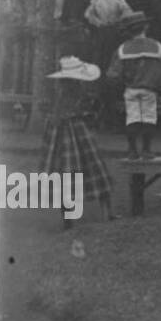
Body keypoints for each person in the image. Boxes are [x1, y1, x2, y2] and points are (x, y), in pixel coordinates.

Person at [43, 56, 115, 224]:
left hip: (68, 131)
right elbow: (66, 112)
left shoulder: (65, 91)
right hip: (73, 131)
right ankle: (103, 212)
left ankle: (70, 217)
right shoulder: (72, 91)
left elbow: (60, 113)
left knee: (70, 171)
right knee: (90, 168)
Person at [107, 11, 161, 161]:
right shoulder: (157, 47)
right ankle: (146, 150)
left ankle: (132, 150)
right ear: (145, 27)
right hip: (150, 89)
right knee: (149, 117)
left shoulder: (122, 49)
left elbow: (113, 75)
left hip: (131, 88)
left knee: (132, 117)